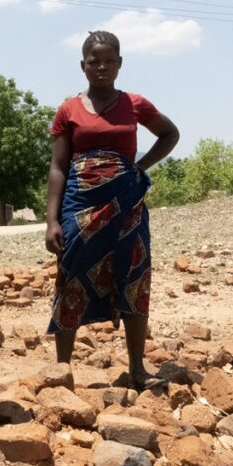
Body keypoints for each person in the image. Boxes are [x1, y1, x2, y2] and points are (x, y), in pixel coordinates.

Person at [44, 30, 180, 391]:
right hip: (80, 209)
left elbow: (170, 134)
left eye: (109, 60)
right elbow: (58, 167)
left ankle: (137, 369)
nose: (101, 67)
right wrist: (52, 220)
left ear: (119, 63)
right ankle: (62, 373)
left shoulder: (135, 104)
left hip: (127, 209)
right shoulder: (68, 110)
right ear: (83, 66)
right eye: (94, 61)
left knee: (134, 278)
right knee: (70, 276)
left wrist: (141, 166)